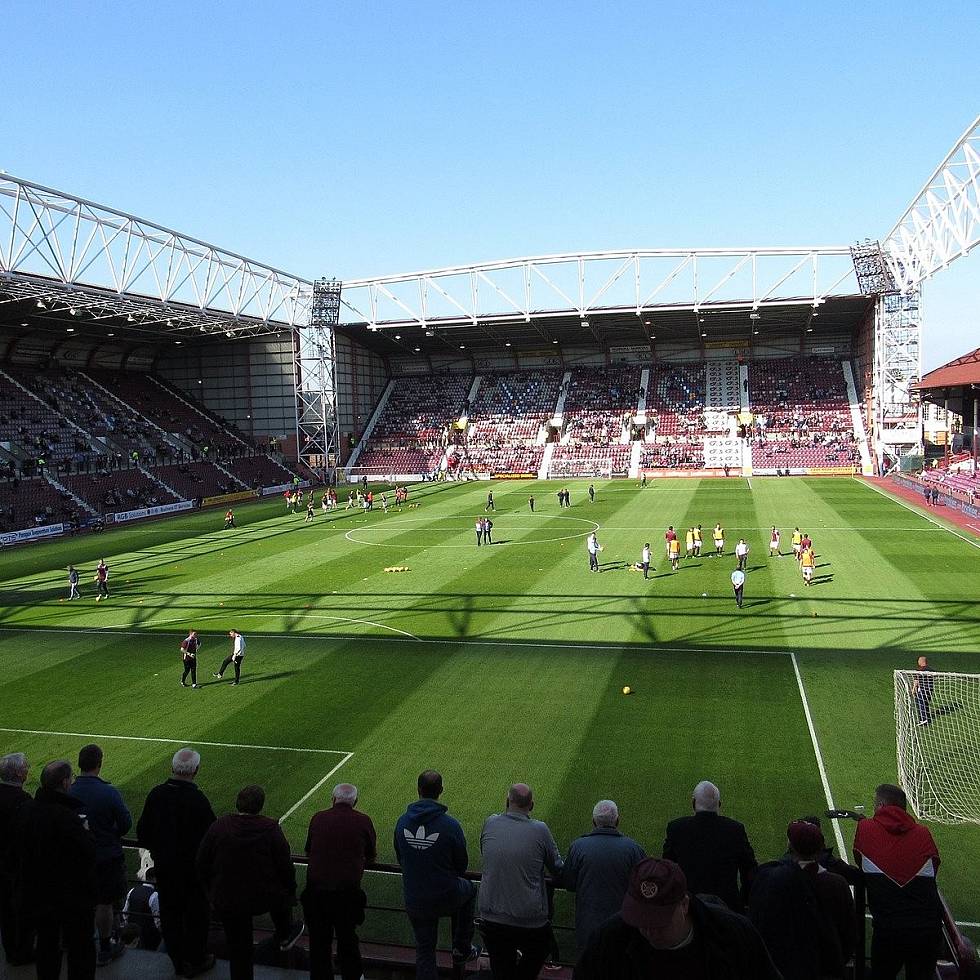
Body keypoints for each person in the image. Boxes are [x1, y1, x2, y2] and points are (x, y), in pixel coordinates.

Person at [574, 858, 781, 979]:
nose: (648, 929)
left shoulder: (735, 935)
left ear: (684, 904)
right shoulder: (609, 939)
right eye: (640, 918)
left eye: (658, 920)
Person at [196, 785, 304, 980]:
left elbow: (202, 861)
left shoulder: (220, 825)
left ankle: (283, 934)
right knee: (283, 897)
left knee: (239, 949)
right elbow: (285, 865)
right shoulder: (270, 828)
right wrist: (291, 890)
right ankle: (284, 933)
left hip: (227, 897)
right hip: (261, 896)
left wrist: (210, 890)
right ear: (260, 805)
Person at [12, 760, 97, 980]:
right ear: (65, 782)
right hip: (69, 896)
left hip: (37, 893)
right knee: (79, 949)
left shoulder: (27, 809)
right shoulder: (67, 817)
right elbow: (87, 853)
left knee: (46, 945)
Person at [136, 748, 217, 978]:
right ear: (196, 771)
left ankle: (179, 962)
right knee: (196, 916)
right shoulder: (198, 800)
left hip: (165, 870)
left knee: (170, 916)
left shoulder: (156, 795)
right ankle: (196, 960)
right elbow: (211, 837)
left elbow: (143, 832)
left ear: (172, 768)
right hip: (192, 873)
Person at [394, 770, 479, 980]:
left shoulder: (402, 822)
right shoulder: (450, 826)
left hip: (416, 899)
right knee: (470, 889)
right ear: (441, 791)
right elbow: (462, 864)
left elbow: (401, 858)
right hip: (446, 895)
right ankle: (461, 946)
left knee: (424, 951)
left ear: (418, 790)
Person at [853, 783, 942, 980]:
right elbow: (934, 866)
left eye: (875, 804)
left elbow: (859, 859)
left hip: (889, 928)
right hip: (927, 928)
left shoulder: (865, 827)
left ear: (882, 806)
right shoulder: (924, 833)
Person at [748, 819, 855, 980]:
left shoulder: (770, 877)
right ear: (821, 848)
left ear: (790, 846)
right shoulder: (837, 884)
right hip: (823, 967)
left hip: (782, 965)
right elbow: (850, 934)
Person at [479, 783, 563, 980]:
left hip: (491, 916)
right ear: (531, 806)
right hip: (528, 919)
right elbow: (557, 868)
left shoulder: (490, 823)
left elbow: (487, 853)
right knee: (540, 949)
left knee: (502, 968)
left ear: (507, 802)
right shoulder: (540, 830)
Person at [303, 783, 377, 980]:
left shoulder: (318, 818)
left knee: (319, 943)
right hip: (346, 893)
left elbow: (308, 850)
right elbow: (371, 855)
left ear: (333, 799)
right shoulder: (363, 821)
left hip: (316, 892)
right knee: (348, 940)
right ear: (355, 802)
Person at [69, 744, 131, 967]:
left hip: (74, 858)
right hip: (104, 857)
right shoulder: (108, 792)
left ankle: (76, 942)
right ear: (99, 763)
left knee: (80, 900)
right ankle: (105, 946)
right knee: (105, 902)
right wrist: (109, 834)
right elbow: (125, 824)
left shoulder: (68, 791)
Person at [562, 799, 645, 952]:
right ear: (617, 820)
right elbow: (642, 888)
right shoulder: (634, 849)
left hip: (588, 925)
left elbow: (568, 883)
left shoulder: (578, 846)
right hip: (623, 925)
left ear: (593, 821)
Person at [662, 780, 757, 913]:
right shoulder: (735, 830)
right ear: (719, 804)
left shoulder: (676, 829)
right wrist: (743, 902)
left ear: (693, 803)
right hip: (727, 910)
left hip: (688, 909)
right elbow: (750, 871)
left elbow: (666, 871)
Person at [0, 752, 34, 966]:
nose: (28, 769)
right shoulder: (23, 801)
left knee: (6, 910)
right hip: (16, 866)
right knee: (20, 910)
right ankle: (21, 952)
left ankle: (12, 949)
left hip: (3, 865)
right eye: (26, 767)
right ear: (20, 773)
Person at [121, 866, 161, 950]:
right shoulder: (154, 895)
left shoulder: (133, 890)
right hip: (149, 936)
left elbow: (125, 912)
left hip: (133, 933)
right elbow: (158, 920)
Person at [912, 656, 934, 725]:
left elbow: (916, 681)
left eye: (919, 661)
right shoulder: (931, 670)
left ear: (922, 661)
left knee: (920, 703)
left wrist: (913, 689)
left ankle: (923, 719)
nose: (918, 662)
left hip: (922, 689)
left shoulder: (920, 670)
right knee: (926, 703)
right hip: (930, 689)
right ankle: (927, 718)